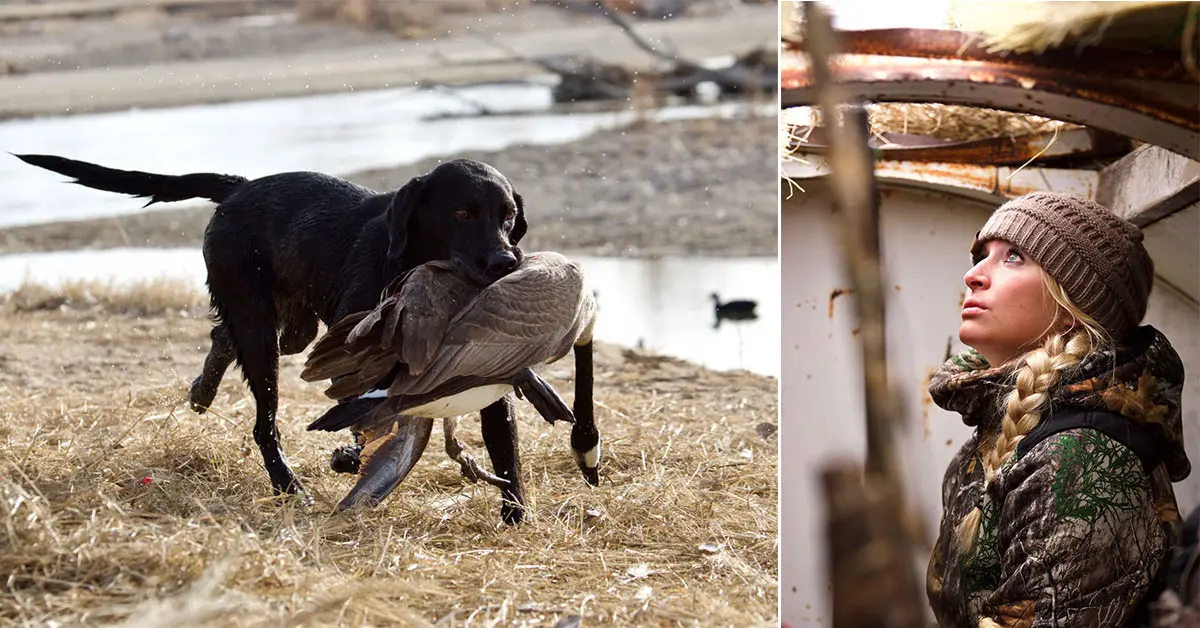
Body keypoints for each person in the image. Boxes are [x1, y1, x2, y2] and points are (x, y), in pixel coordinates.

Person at [924, 192, 1191, 627]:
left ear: (1072, 308)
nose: (973, 275)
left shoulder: (1081, 456)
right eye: (980, 256)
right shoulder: (1000, 431)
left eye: (1013, 257)